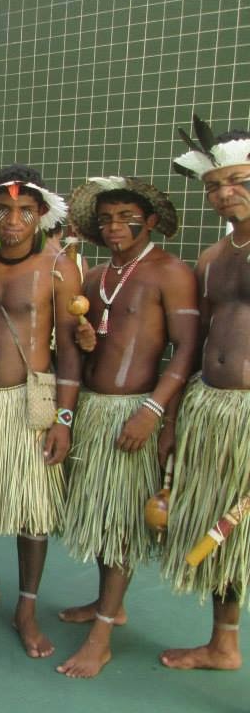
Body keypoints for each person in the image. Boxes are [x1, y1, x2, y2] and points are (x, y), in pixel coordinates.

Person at [56, 177, 198, 678]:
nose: (114, 225)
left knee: (120, 527)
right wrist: (87, 339)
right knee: (102, 519)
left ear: (151, 221)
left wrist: (156, 412)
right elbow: (95, 342)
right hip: (95, 410)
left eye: (126, 216)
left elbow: (187, 350)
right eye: (107, 217)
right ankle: (108, 605)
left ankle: (101, 636)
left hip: (135, 411)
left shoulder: (171, 272)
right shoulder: (94, 278)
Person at [0, 165, 81, 658]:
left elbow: (69, 350)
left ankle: (26, 605)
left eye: (25, 210)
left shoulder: (58, 268)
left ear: (41, 214)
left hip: (29, 403)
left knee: (33, 507)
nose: (13, 220)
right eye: (3, 210)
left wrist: (63, 420)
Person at [159, 116, 250, 671]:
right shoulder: (213, 259)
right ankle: (223, 643)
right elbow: (195, 343)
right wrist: (172, 416)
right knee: (223, 529)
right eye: (214, 185)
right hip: (214, 409)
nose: (223, 193)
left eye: (237, 180)